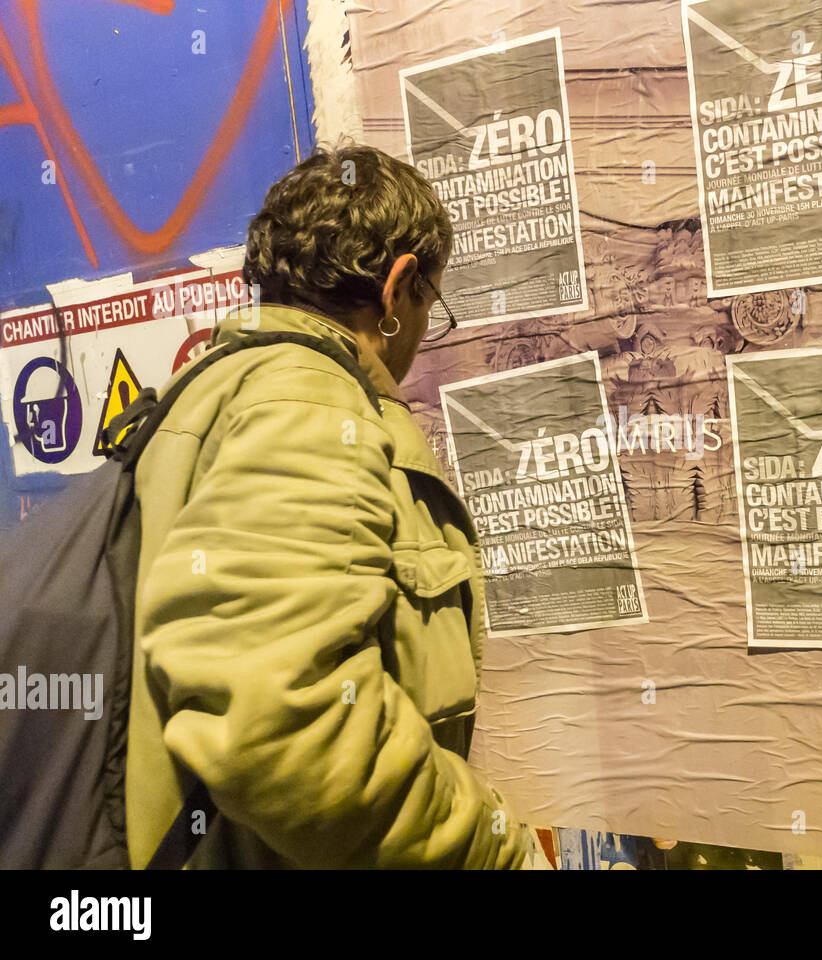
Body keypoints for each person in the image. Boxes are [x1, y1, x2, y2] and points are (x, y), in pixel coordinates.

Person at [124, 143, 534, 868]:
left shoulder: (212, 391)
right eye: (429, 305)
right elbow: (280, 719)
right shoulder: (307, 405)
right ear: (399, 286)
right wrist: (490, 846)